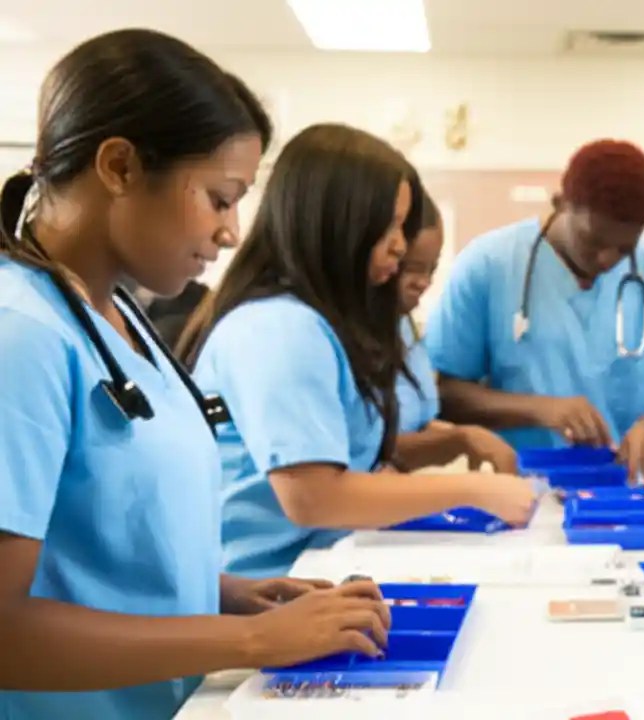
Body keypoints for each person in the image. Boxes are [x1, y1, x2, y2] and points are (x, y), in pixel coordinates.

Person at [0, 30, 390, 720]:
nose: (233, 230)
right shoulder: (21, 334)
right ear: (118, 166)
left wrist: (226, 594)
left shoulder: (120, 313)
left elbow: (93, 553)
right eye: (218, 197)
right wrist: (246, 637)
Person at [179, 124, 537, 579]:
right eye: (388, 226)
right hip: (265, 588)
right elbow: (314, 497)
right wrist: (473, 490)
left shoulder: (317, 325)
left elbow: (344, 463)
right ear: (336, 222)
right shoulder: (278, 330)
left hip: (322, 572)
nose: (400, 246)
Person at [425, 139, 644, 482]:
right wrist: (541, 409)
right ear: (560, 203)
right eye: (593, 241)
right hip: (520, 493)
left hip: (631, 492)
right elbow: (446, 394)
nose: (607, 260)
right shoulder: (487, 265)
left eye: (625, 247)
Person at [392, 187, 517, 473]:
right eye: (410, 268)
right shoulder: (327, 336)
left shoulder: (402, 329)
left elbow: (414, 422)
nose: (423, 282)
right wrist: (458, 440)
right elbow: (363, 451)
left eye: (431, 270)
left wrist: (459, 439)